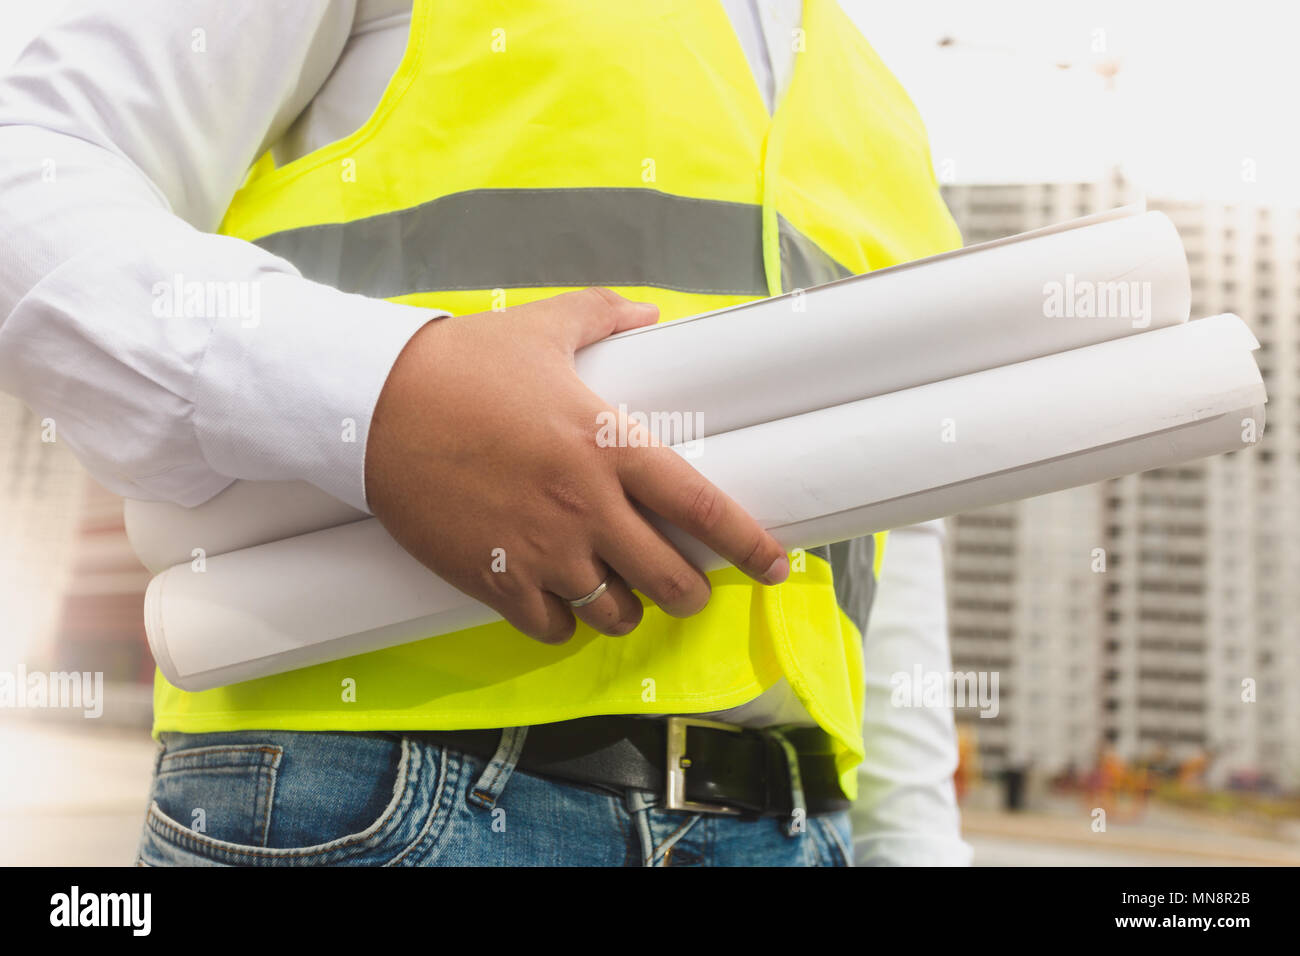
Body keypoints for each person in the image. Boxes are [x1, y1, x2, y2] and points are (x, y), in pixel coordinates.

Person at [0, 0, 966, 866]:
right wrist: (379, 394)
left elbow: (895, 527)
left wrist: (913, 845)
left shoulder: (874, 101)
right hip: (377, 796)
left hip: (795, 828)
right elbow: (28, 163)